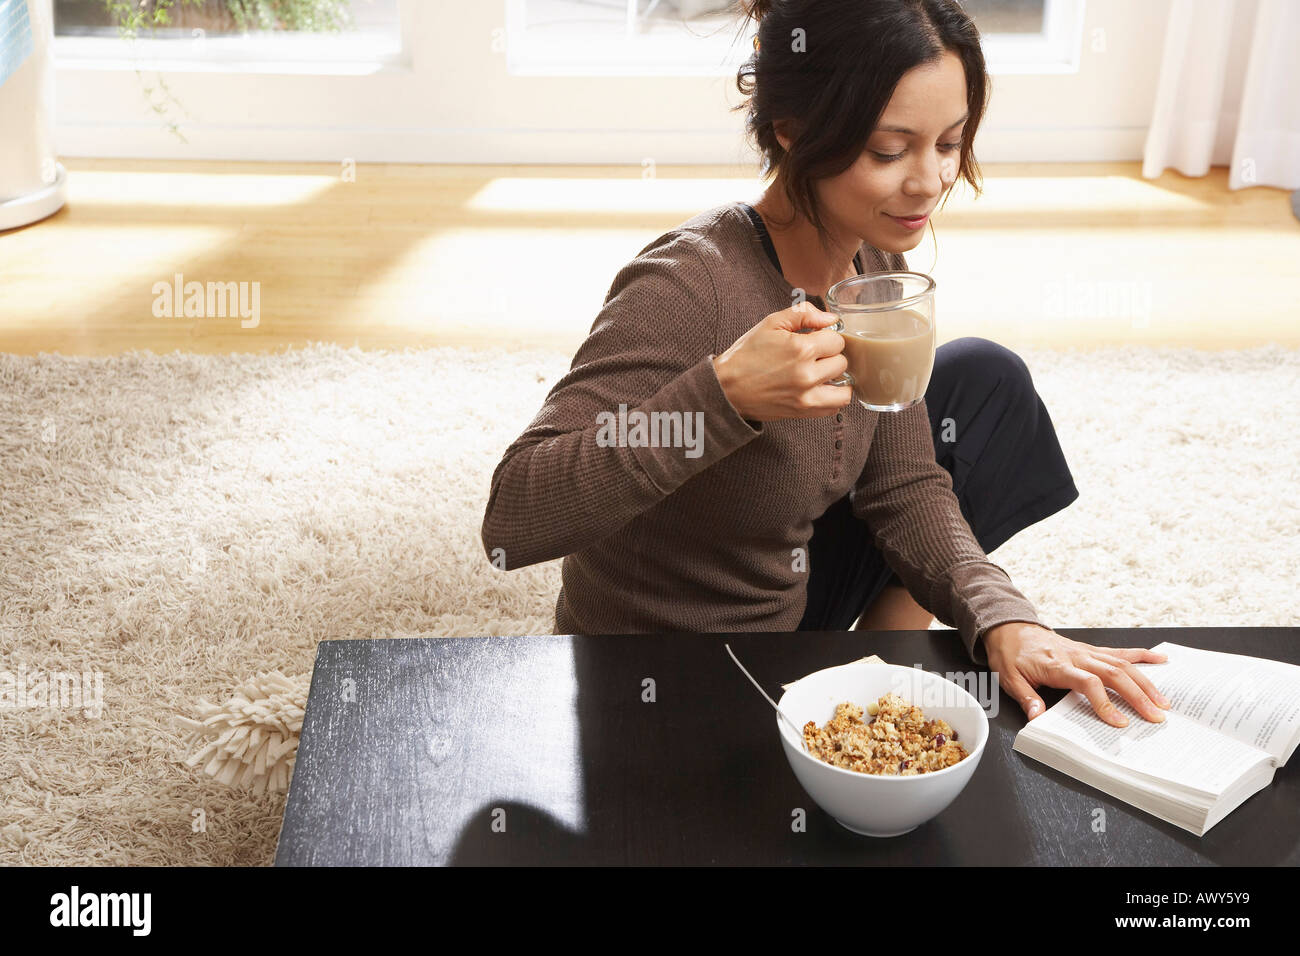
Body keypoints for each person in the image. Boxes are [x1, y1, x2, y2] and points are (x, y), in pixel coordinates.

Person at [482, 0, 1170, 727]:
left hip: (792, 605)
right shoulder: (688, 283)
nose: (931, 180)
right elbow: (511, 520)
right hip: (660, 674)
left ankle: (869, 675)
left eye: (949, 142)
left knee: (987, 383)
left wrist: (1005, 620)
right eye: (888, 150)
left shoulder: (875, 261)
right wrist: (724, 399)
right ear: (793, 130)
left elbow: (904, 482)